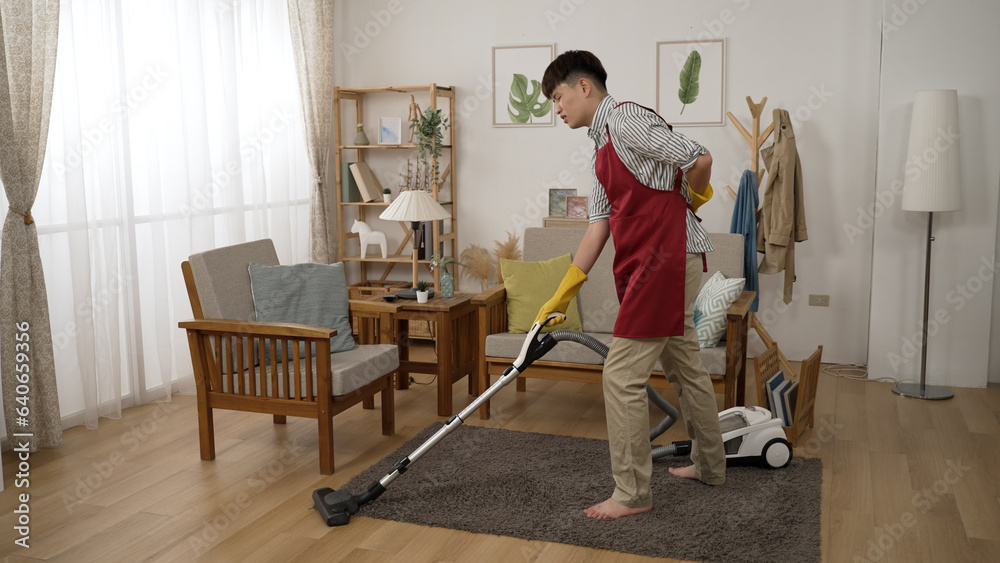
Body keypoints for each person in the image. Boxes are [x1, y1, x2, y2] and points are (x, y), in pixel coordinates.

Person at [537, 50, 725, 520]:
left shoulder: (625, 121)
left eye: (558, 97)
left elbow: (699, 157)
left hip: (666, 260)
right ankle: (711, 465)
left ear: (583, 87)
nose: (556, 109)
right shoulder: (601, 148)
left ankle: (632, 493)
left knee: (620, 376)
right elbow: (598, 227)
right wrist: (562, 293)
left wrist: (688, 201)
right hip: (660, 263)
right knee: (685, 367)